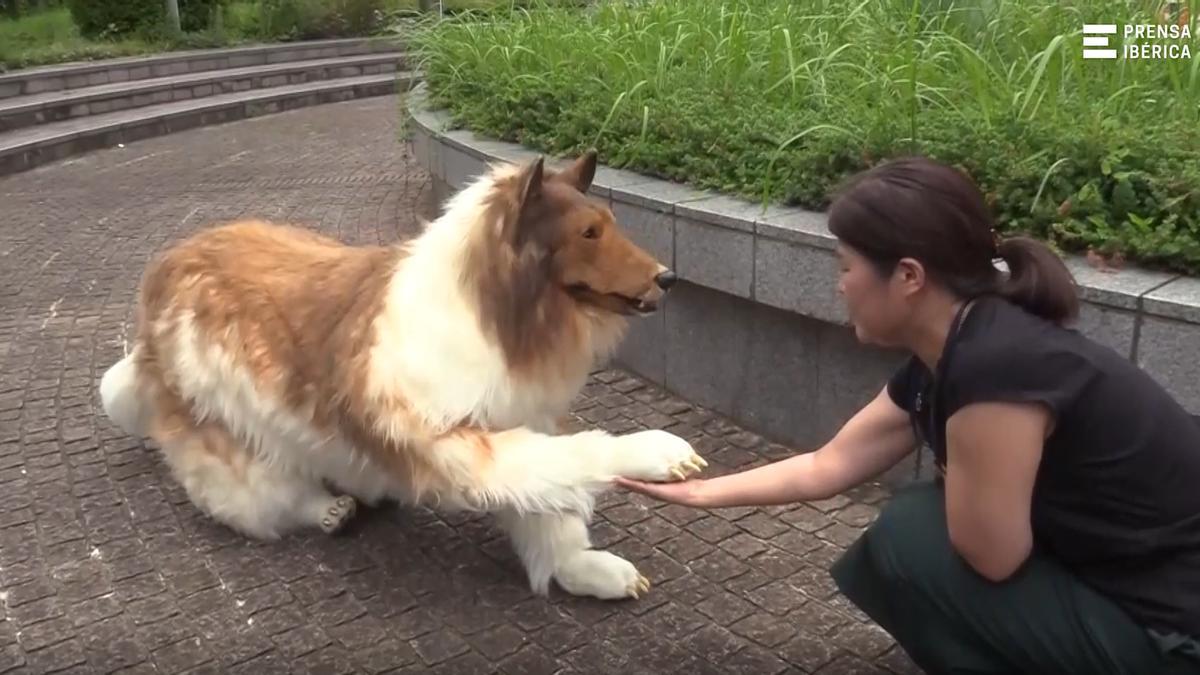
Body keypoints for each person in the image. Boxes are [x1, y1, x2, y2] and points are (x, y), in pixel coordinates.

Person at [615, 156, 1200, 674]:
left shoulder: (996, 369)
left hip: (1173, 632)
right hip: (1125, 588)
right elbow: (829, 463)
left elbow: (993, 560)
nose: (840, 286)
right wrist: (701, 495)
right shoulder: (957, 347)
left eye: (846, 267)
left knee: (913, 540)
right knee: (916, 523)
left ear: (909, 277)